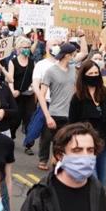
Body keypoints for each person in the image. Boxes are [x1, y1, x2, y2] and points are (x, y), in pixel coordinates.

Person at [68, 56, 106, 188]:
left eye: (96, 73)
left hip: (105, 145)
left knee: (102, 184)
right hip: (87, 147)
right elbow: (72, 124)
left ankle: (99, 208)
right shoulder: (78, 97)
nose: (94, 76)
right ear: (84, 76)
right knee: (93, 182)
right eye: (90, 74)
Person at [36, 42, 82, 170]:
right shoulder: (51, 71)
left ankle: (57, 158)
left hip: (69, 112)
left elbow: (76, 89)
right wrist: (47, 116)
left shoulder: (74, 70)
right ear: (67, 55)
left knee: (63, 140)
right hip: (54, 112)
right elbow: (42, 94)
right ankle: (43, 159)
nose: (75, 56)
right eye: (73, 54)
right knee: (47, 138)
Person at [5, 38, 36, 140]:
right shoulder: (13, 62)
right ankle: (12, 135)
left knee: (30, 118)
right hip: (16, 95)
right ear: (19, 48)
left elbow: (34, 78)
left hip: (29, 95)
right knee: (15, 120)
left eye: (28, 47)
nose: (27, 49)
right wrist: (12, 91)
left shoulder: (32, 62)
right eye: (24, 47)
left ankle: (28, 143)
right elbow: (10, 78)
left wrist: (32, 87)